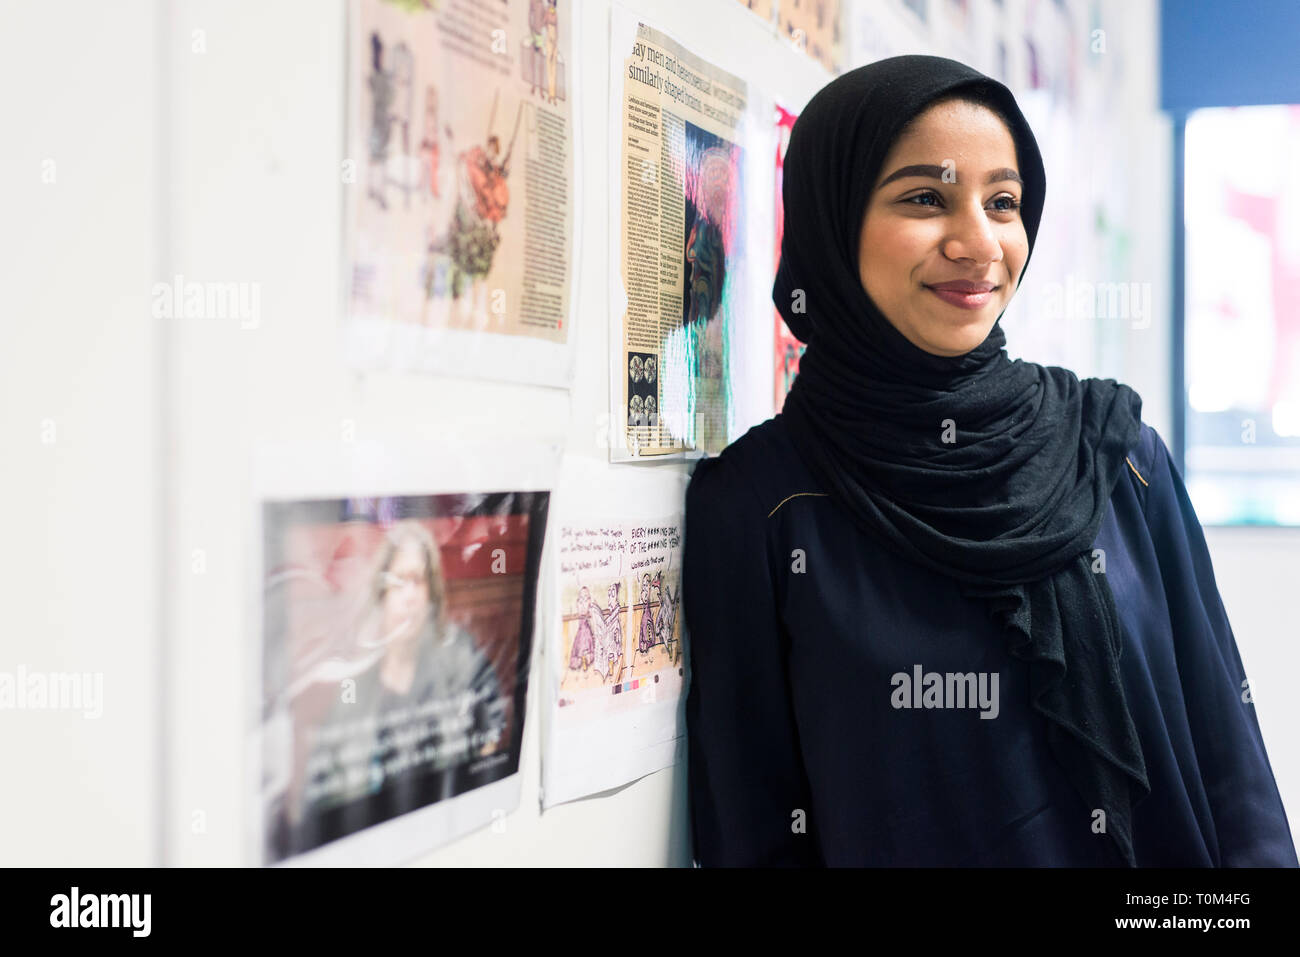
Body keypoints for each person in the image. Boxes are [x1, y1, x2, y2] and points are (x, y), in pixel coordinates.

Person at [682, 55, 1298, 867]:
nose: (979, 242)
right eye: (926, 198)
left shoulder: (1114, 453)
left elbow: (1234, 773)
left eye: (1002, 202)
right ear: (831, 220)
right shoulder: (760, 504)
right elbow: (753, 829)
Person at [289, 521, 506, 856]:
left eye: (418, 581)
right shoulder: (353, 682)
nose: (409, 596)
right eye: (398, 581)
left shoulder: (458, 655)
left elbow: (493, 722)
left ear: (431, 592)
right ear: (381, 592)